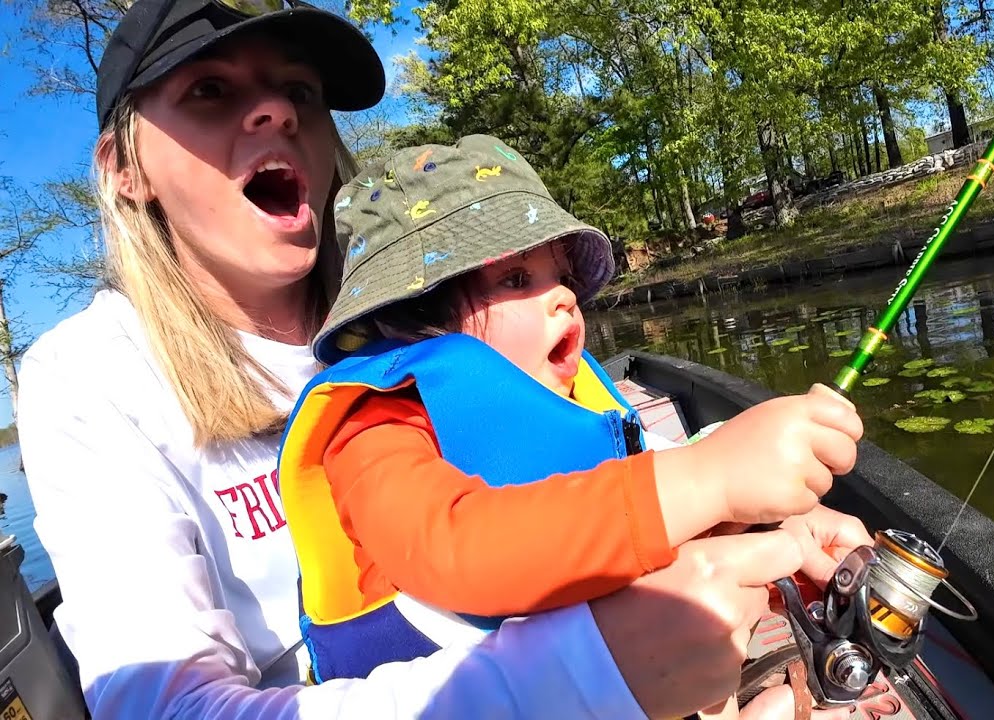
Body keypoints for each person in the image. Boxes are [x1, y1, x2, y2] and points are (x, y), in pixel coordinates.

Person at [14, 0, 872, 717]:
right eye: (209, 90)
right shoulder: (88, 378)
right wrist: (583, 671)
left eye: (299, 91)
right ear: (124, 166)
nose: (276, 111)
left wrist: (767, 532)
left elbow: (582, 487)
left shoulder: (446, 309)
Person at [275, 137, 867, 695]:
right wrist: (709, 477)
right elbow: (457, 548)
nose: (565, 296)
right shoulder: (373, 426)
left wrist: (787, 529)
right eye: (516, 278)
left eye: (561, 275)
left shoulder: (563, 389)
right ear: (408, 321)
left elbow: (630, 490)